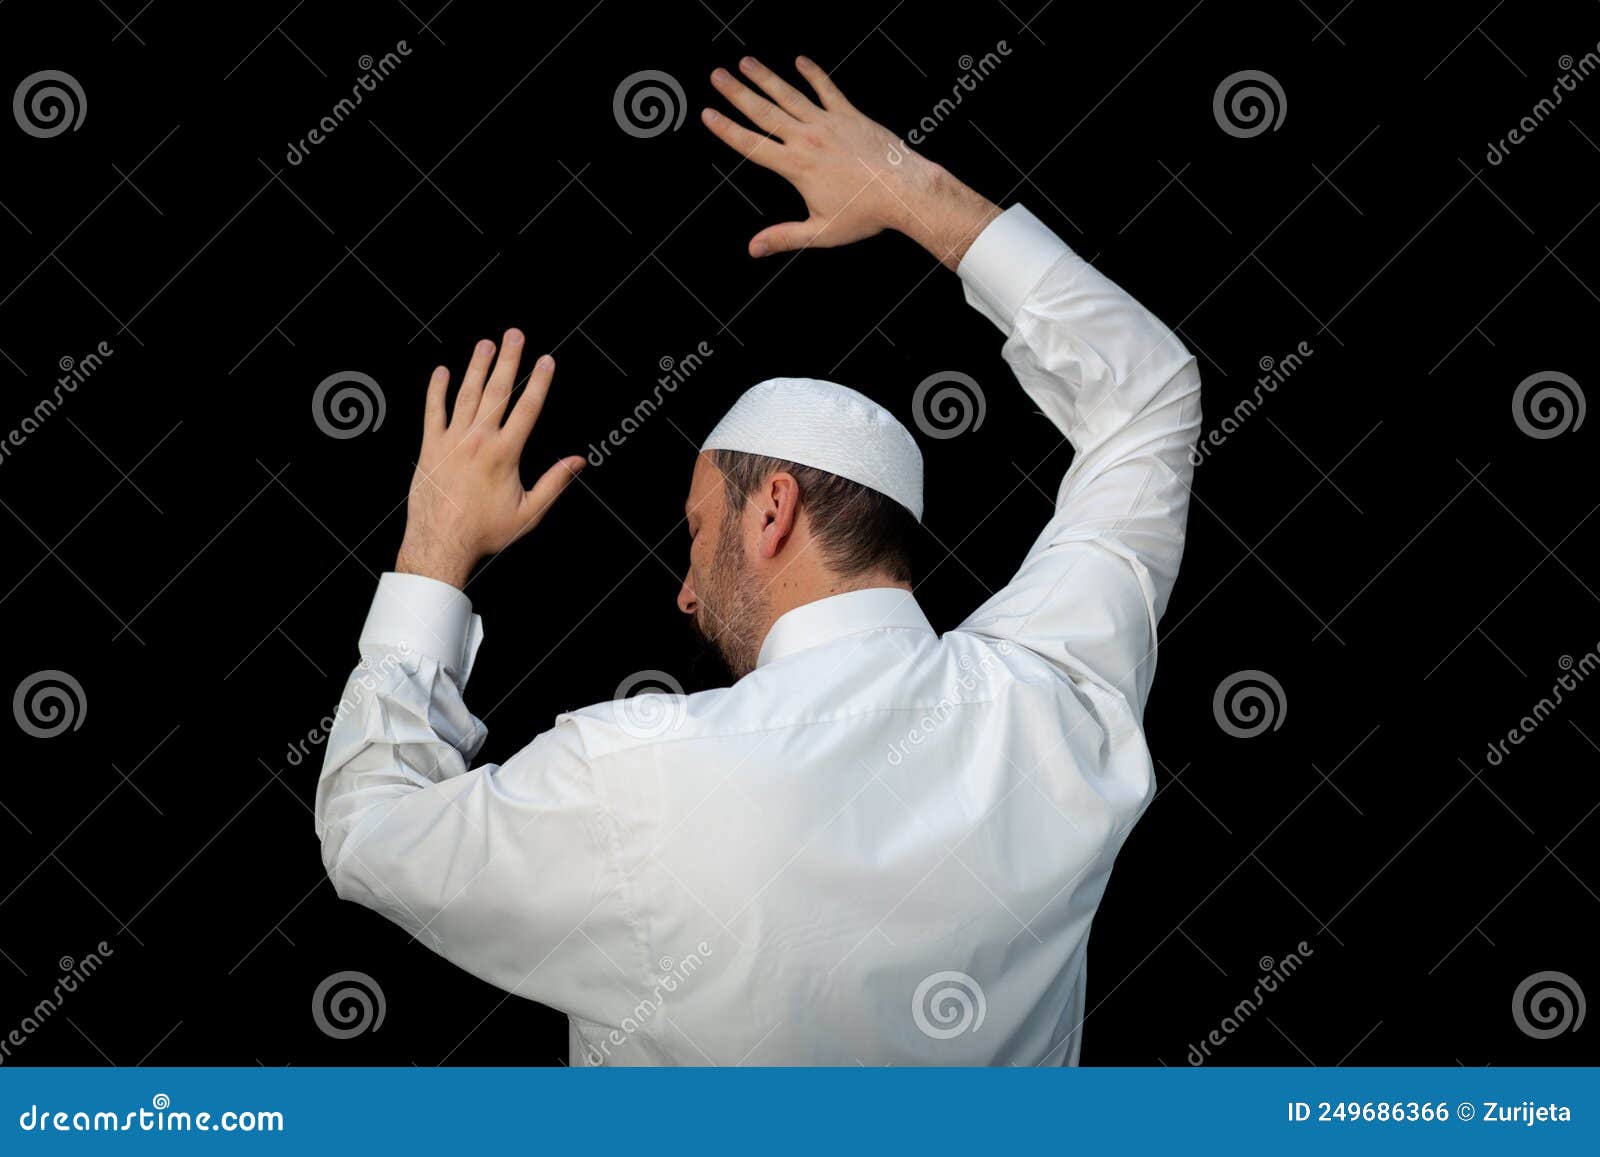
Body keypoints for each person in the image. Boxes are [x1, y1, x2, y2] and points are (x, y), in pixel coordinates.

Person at [314, 54, 1201, 1065]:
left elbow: (370, 833)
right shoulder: (1053, 692)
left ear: (771, 509)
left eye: (696, 532)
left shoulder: (633, 779)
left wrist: (434, 546)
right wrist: (910, 190)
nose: (686, 592)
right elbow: (1149, 400)